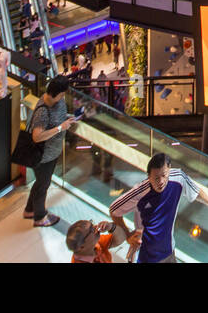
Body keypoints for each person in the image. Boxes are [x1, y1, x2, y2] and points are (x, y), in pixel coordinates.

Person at [110, 153, 208, 263]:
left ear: (169, 169)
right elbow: (114, 209)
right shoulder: (140, 191)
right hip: (146, 257)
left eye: (164, 175)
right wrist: (127, 235)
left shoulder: (178, 177)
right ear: (148, 176)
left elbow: (196, 191)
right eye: (156, 178)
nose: (161, 181)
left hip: (169, 252)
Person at [24, 75, 78, 227]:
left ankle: (29, 209)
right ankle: (39, 217)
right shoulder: (43, 111)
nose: (64, 97)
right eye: (63, 94)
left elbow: (56, 119)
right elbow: (37, 136)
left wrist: (66, 119)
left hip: (51, 153)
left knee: (41, 183)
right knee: (43, 185)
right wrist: (61, 127)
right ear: (58, 93)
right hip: (43, 156)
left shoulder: (57, 101)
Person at [67, 218, 133, 263]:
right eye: (91, 230)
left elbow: (121, 238)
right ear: (81, 246)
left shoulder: (95, 245)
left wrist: (111, 227)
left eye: (92, 224)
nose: (96, 227)